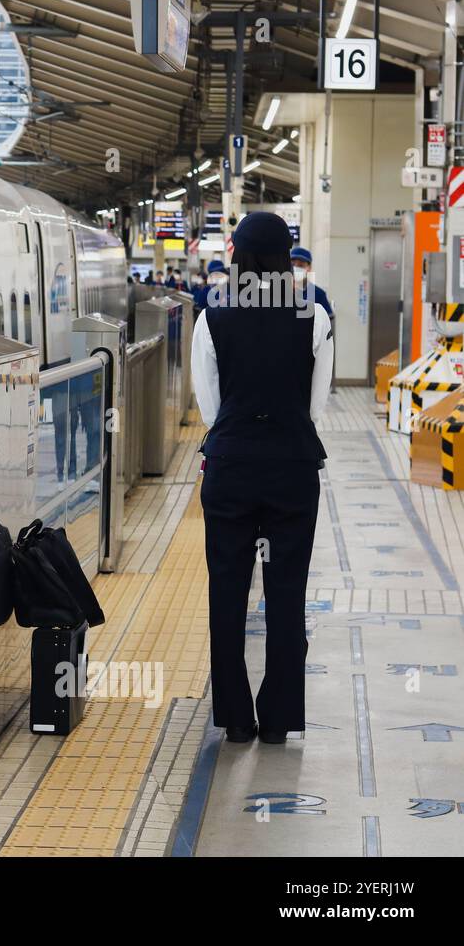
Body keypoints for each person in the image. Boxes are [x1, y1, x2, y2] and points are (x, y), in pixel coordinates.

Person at [192, 212, 334, 745]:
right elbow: (316, 405)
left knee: (226, 593)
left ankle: (234, 718)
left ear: (238, 257)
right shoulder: (313, 314)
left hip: (230, 469)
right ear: (285, 258)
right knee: (286, 595)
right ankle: (278, 719)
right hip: (292, 469)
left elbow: (210, 405)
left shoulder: (214, 314)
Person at [289, 246, 333, 325]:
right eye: (293, 265)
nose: (296, 268)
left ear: (309, 267)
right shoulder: (280, 291)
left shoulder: (319, 294)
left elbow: (329, 322)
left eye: (301, 265)